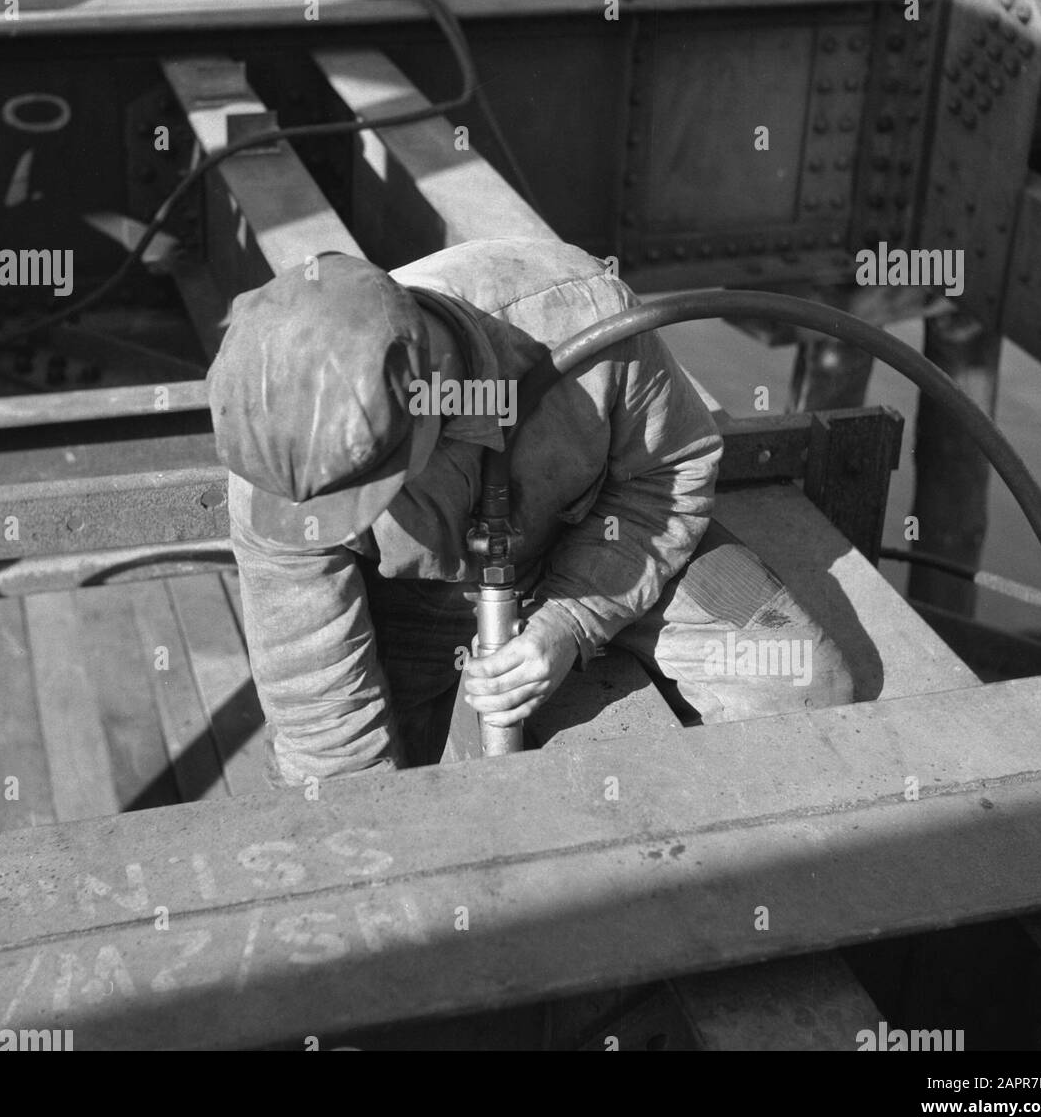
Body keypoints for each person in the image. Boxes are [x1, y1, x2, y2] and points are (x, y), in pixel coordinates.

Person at [209, 238, 855, 786]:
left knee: (804, 679)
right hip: (412, 605)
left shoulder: (581, 319)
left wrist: (569, 621)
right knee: (351, 804)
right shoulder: (277, 455)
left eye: (377, 482)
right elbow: (320, 706)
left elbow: (665, 478)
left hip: (596, 542)